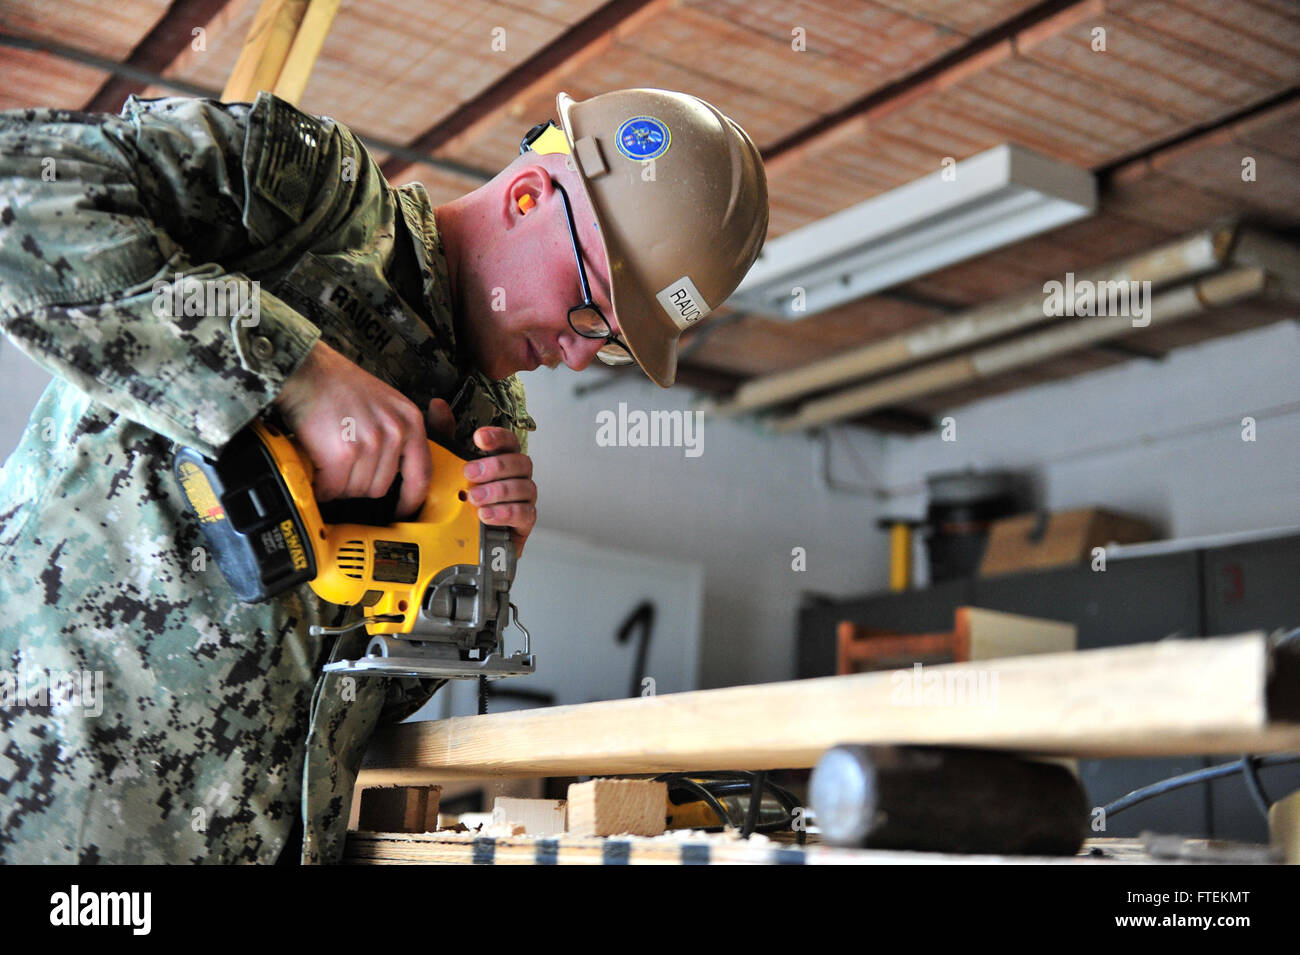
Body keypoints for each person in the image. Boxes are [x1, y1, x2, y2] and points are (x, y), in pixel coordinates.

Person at [0, 87, 768, 863]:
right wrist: (293, 370)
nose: (576, 356)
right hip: (45, 798)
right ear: (532, 194)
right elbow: (22, 190)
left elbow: (362, 699)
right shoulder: (310, 203)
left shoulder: (490, 425)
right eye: (589, 311)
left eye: (609, 347)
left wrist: (478, 573)